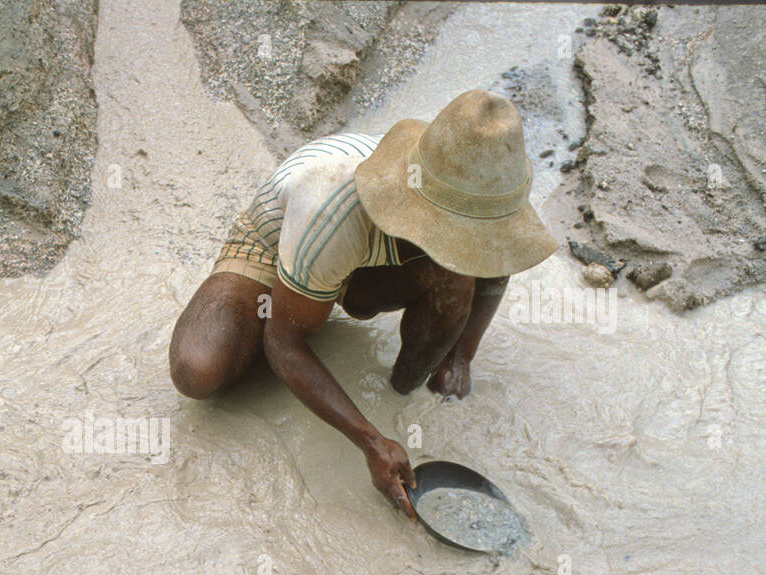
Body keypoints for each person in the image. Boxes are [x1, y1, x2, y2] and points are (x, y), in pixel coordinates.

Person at [169, 90, 557, 517]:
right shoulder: (330, 205)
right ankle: (296, 299)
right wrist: (371, 440)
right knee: (197, 371)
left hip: (362, 259)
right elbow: (284, 343)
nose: (472, 243)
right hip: (280, 245)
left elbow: (495, 262)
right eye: (461, 231)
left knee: (454, 291)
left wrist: (461, 357)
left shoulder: (484, 177)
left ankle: (400, 386)